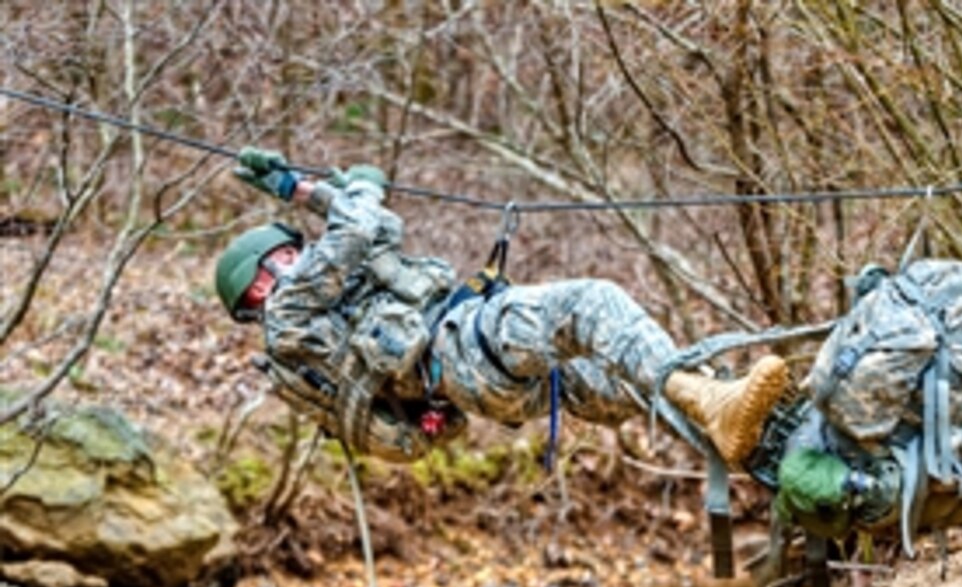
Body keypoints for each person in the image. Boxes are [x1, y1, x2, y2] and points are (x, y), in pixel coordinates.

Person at [214, 147, 789, 466]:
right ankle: (718, 403)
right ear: (260, 286)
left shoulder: (314, 315)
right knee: (592, 304)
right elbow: (361, 224)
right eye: (288, 253)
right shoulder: (289, 311)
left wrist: (307, 189)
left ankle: (771, 440)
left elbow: (381, 231)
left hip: (477, 381)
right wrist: (333, 191)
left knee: (627, 382)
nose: (302, 256)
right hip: (463, 346)